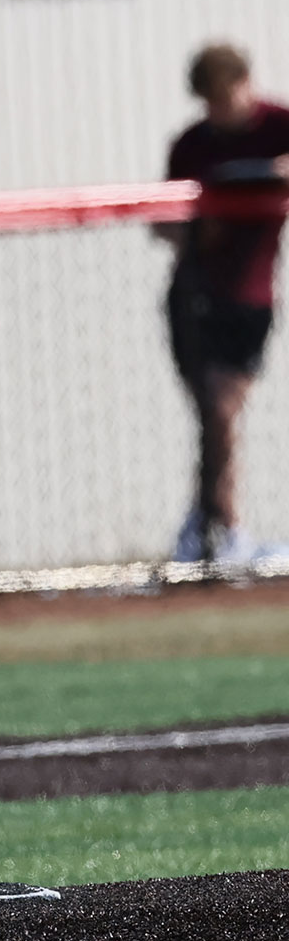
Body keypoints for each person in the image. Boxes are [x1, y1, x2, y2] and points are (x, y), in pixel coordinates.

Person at [159, 42, 289, 563]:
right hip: (194, 294)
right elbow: (163, 224)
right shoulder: (192, 145)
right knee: (212, 413)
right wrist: (200, 223)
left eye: (225, 97)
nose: (219, 110)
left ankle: (214, 523)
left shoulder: (279, 126)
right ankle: (213, 522)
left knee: (222, 409)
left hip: (250, 296)